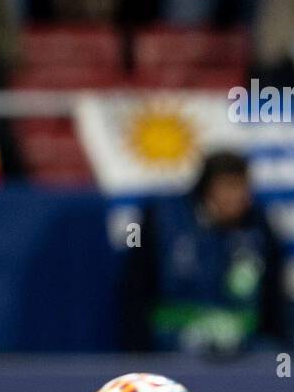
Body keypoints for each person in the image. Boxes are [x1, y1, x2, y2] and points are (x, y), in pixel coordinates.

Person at [120, 151, 285, 355]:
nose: (237, 197)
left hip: (243, 346)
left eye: (242, 187)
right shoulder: (162, 220)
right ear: (206, 188)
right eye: (228, 187)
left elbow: (273, 290)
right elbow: (135, 288)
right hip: (173, 344)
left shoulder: (258, 225)